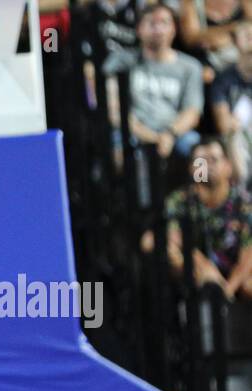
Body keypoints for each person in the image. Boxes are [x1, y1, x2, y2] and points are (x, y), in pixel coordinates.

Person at [146, 135, 252, 297]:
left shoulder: (244, 202)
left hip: (238, 276)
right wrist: (198, 261)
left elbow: (248, 256)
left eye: (213, 160)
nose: (206, 166)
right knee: (158, 243)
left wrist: (226, 291)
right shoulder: (180, 201)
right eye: (200, 161)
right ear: (191, 169)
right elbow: (162, 238)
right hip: (200, 274)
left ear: (228, 166)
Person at [105, 2, 204, 160]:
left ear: (174, 29)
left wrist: (170, 134)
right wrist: (148, 136)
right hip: (132, 129)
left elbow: (192, 113)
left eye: (164, 23)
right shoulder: (120, 61)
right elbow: (113, 109)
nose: (158, 29)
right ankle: (116, 185)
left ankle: (201, 184)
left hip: (174, 132)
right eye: (151, 23)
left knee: (201, 154)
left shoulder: (190, 67)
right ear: (138, 30)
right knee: (113, 148)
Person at [211, 20, 252, 182]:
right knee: (235, 136)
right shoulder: (223, 79)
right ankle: (243, 192)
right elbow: (223, 124)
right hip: (238, 135)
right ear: (235, 42)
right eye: (248, 36)